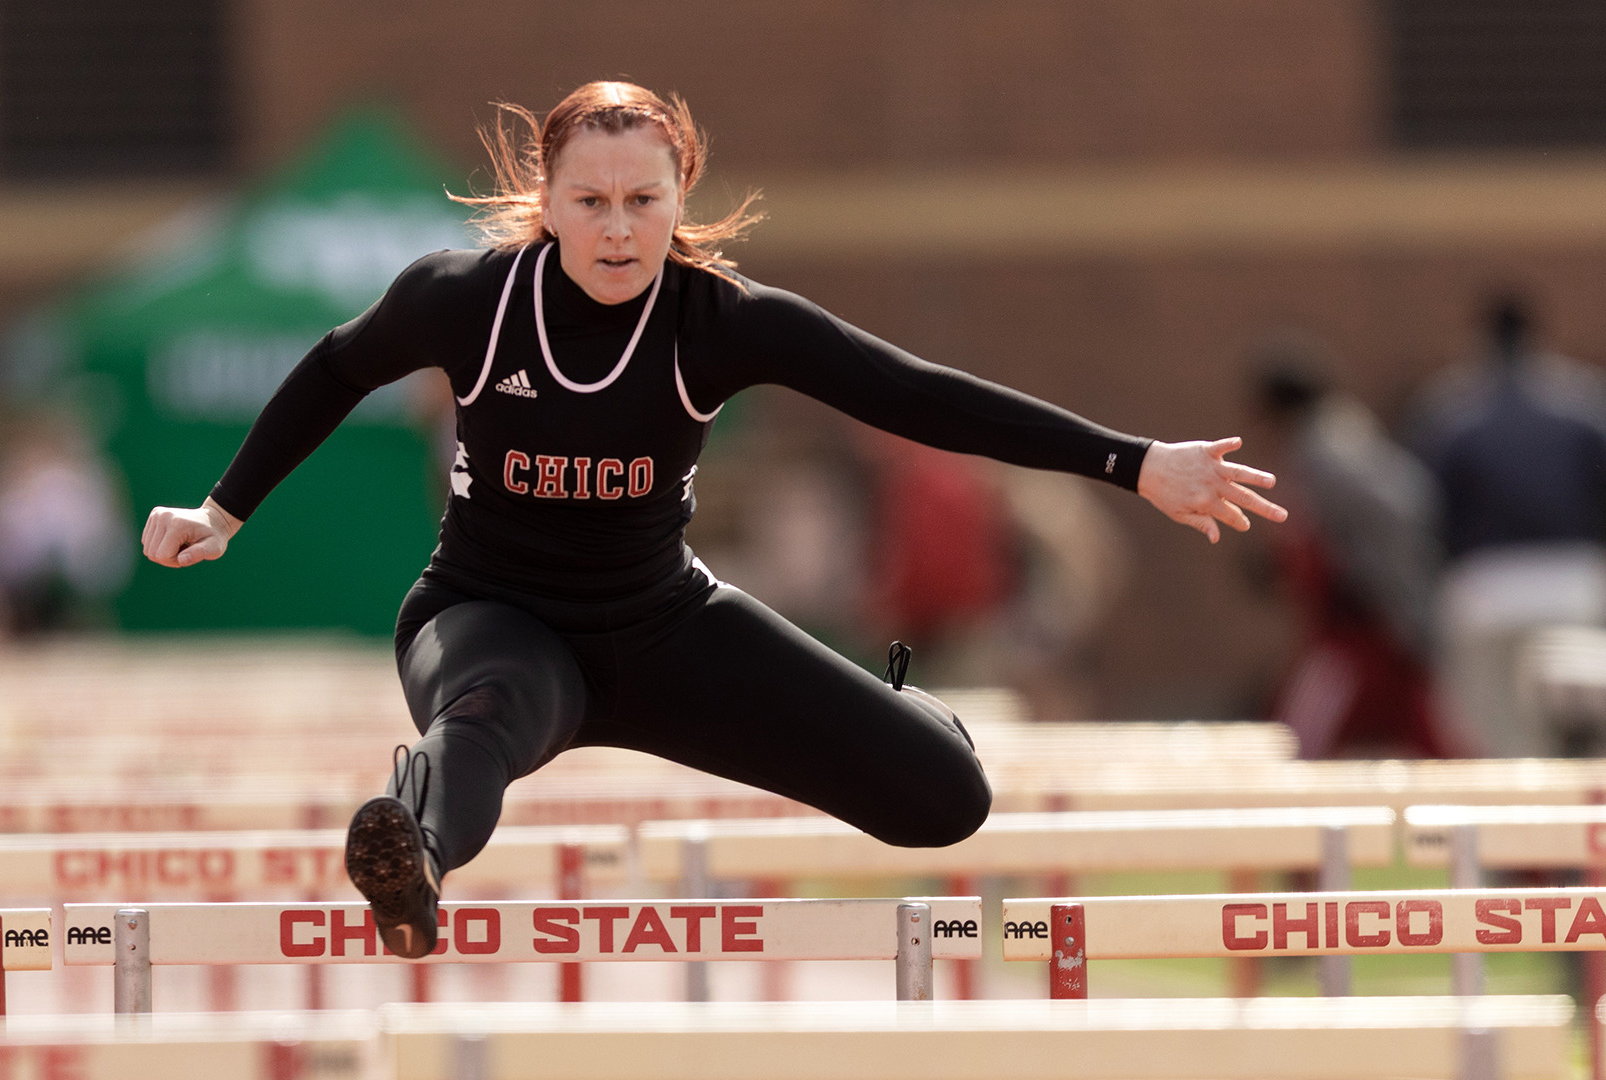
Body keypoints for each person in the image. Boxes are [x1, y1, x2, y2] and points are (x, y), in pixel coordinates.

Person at [140, 82, 1286, 957]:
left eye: (644, 200)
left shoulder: (720, 321)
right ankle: (411, 859)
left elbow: (917, 393)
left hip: (665, 630)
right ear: (546, 201)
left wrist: (1132, 463)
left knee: (947, 801)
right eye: (589, 202)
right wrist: (223, 507)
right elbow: (336, 369)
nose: (617, 230)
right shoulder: (466, 300)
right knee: (477, 727)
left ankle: (910, 719)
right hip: (492, 620)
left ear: (680, 195)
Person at [1408, 295, 1606, 756]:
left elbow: (1428, 510)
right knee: (1579, 732)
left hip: (1485, 588)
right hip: (1573, 580)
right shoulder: (1582, 404)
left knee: (1494, 736)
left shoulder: (1452, 410)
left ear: (1482, 340)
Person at [1248, 335, 1452, 758]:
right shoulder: (1339, 437)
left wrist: (1361, 578)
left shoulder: (1325, 448)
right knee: (1426, 737)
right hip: (1383, 618)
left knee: (1300, 743)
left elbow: (1390, 516)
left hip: (1366, 624)